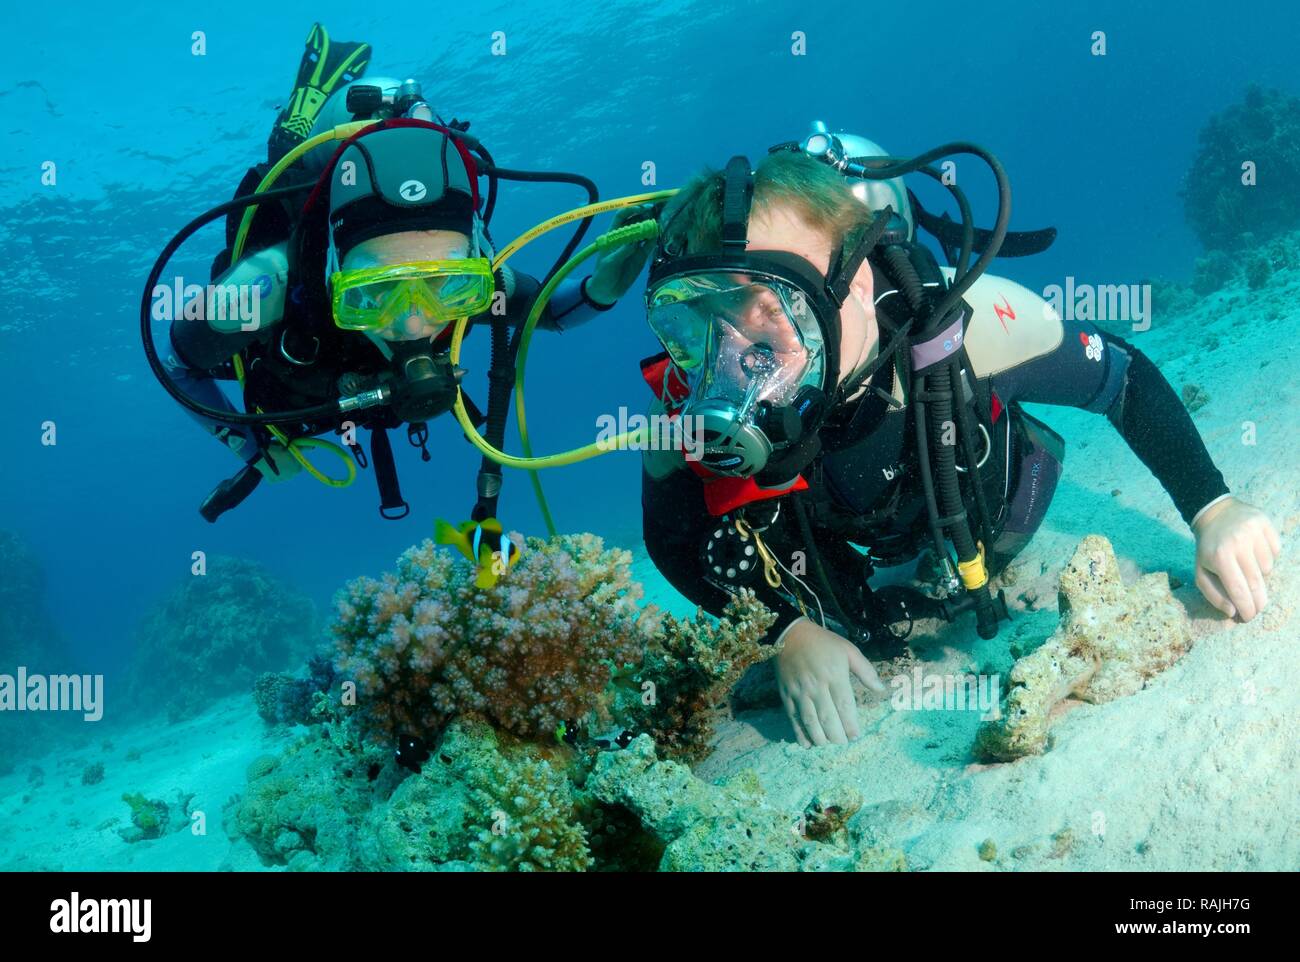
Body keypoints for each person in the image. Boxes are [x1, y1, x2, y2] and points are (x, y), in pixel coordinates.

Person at [637, 129, 1281, 748]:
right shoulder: (692, 400)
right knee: (801, 580)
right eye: (702, 326)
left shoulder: (969, 326)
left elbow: (1122, 378)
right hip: (844, 542)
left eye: (770, 312)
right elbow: (671, 536)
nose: (735, 364)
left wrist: (1213, 506)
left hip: (982, 505)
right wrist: (787, 633)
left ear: (855, 284)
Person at [150, 24, 650, 522]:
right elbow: (176, 364)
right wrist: (248, 445)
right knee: (286, 150)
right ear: (331, 269)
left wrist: (602, 287)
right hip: (305, 211)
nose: (413, 323)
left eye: (446, 285)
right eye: (375, 291)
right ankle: (304, 111)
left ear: (475, 259)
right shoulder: (266, 287)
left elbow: (552, 310)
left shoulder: (481, 282)